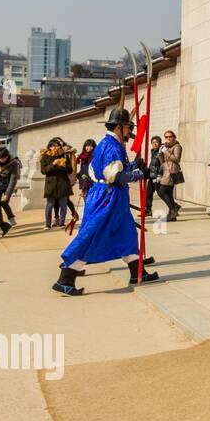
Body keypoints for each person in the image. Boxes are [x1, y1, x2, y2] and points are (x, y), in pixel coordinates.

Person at [52, 106, 158, 295]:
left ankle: (137, 272)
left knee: (127, 233)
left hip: (111, 195)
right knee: (92, 235)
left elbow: (114, 169)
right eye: (127, 127)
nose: (129, 132)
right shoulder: (111, 146)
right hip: (107, 197)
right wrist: (141, 174)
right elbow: (115, 176)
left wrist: (135, 165)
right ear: (119, 127)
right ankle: (66, 277)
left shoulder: (110, 143)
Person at [39, 138, 76, 230]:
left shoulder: (63, 155)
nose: (54, 147)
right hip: (51, 184)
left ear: (59, 146)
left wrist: (64, 166)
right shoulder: (45, 156)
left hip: (63, 183)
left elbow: (70, 169)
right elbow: (44, 171)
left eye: (56, 145)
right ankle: (47, 224)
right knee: (50, 204)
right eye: (52, 146)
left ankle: (61, 223)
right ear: (49, 147)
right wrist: (53, 164)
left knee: (63, 204)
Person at [155, 130, 183, 221]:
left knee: (162, 191)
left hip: (172, 172)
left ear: (174, 137)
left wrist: (165, 151)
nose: (168, 138)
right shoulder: (165, 147)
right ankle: (172, 212)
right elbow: (163, 162)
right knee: (168, 193)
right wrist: (160, 153)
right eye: (166, 137)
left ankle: (173, 209)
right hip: (165, 171)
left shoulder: (177, 146)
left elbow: (176, 159)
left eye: (170, 136)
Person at [0, 146, 21, 227]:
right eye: (0, 157)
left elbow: (13, 179)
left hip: (7, 186)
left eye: (4, 157)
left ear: (7, 156)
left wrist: (7, 194)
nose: (2, 159)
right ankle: (0, 222)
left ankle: (11, 219)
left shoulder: (13, 162)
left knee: (4, 203)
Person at [142, 135, 162, 218]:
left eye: (156, 142)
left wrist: (159, 175)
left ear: (159, 143)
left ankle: (173, 206)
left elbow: (162, 164)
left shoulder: (161, 152)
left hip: (157, 176)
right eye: (153, 142)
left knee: (162, 194)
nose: (155, 144)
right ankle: (148, 210)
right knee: (148, 194)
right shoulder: (153, 151)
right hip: (151, 175)